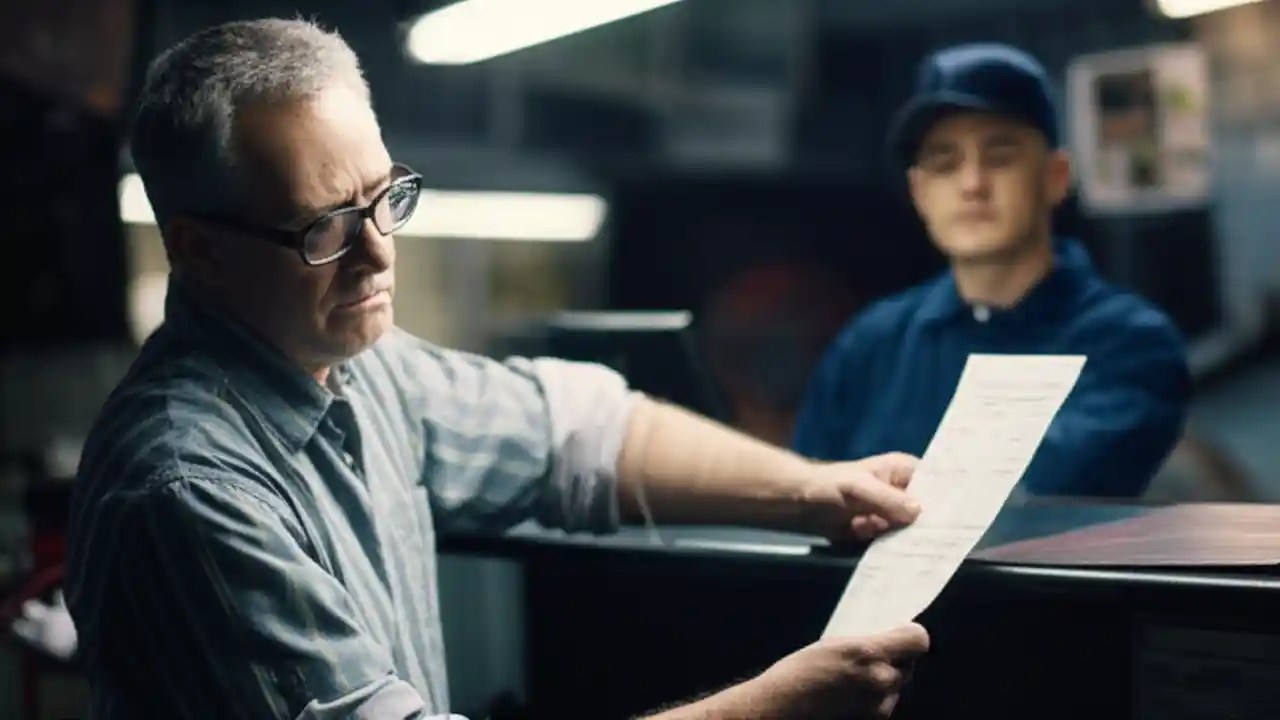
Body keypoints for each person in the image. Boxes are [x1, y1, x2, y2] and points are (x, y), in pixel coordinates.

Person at [67, 19, 930, 720]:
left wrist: (814, 489)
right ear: (199, 251)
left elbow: (574, 433)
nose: (378, 255)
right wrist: (777, 709)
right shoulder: (186, 494)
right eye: (323, 229)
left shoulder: (361, 370)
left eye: (384, 199)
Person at [793, 43, 1191, 499]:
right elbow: (810, 499)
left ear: (1055, 177)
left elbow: (1027, 504)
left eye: (1000, 156)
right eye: (945, 162)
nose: (972, 184)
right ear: (919, 192)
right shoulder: (870, 344)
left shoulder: (1130, 343)